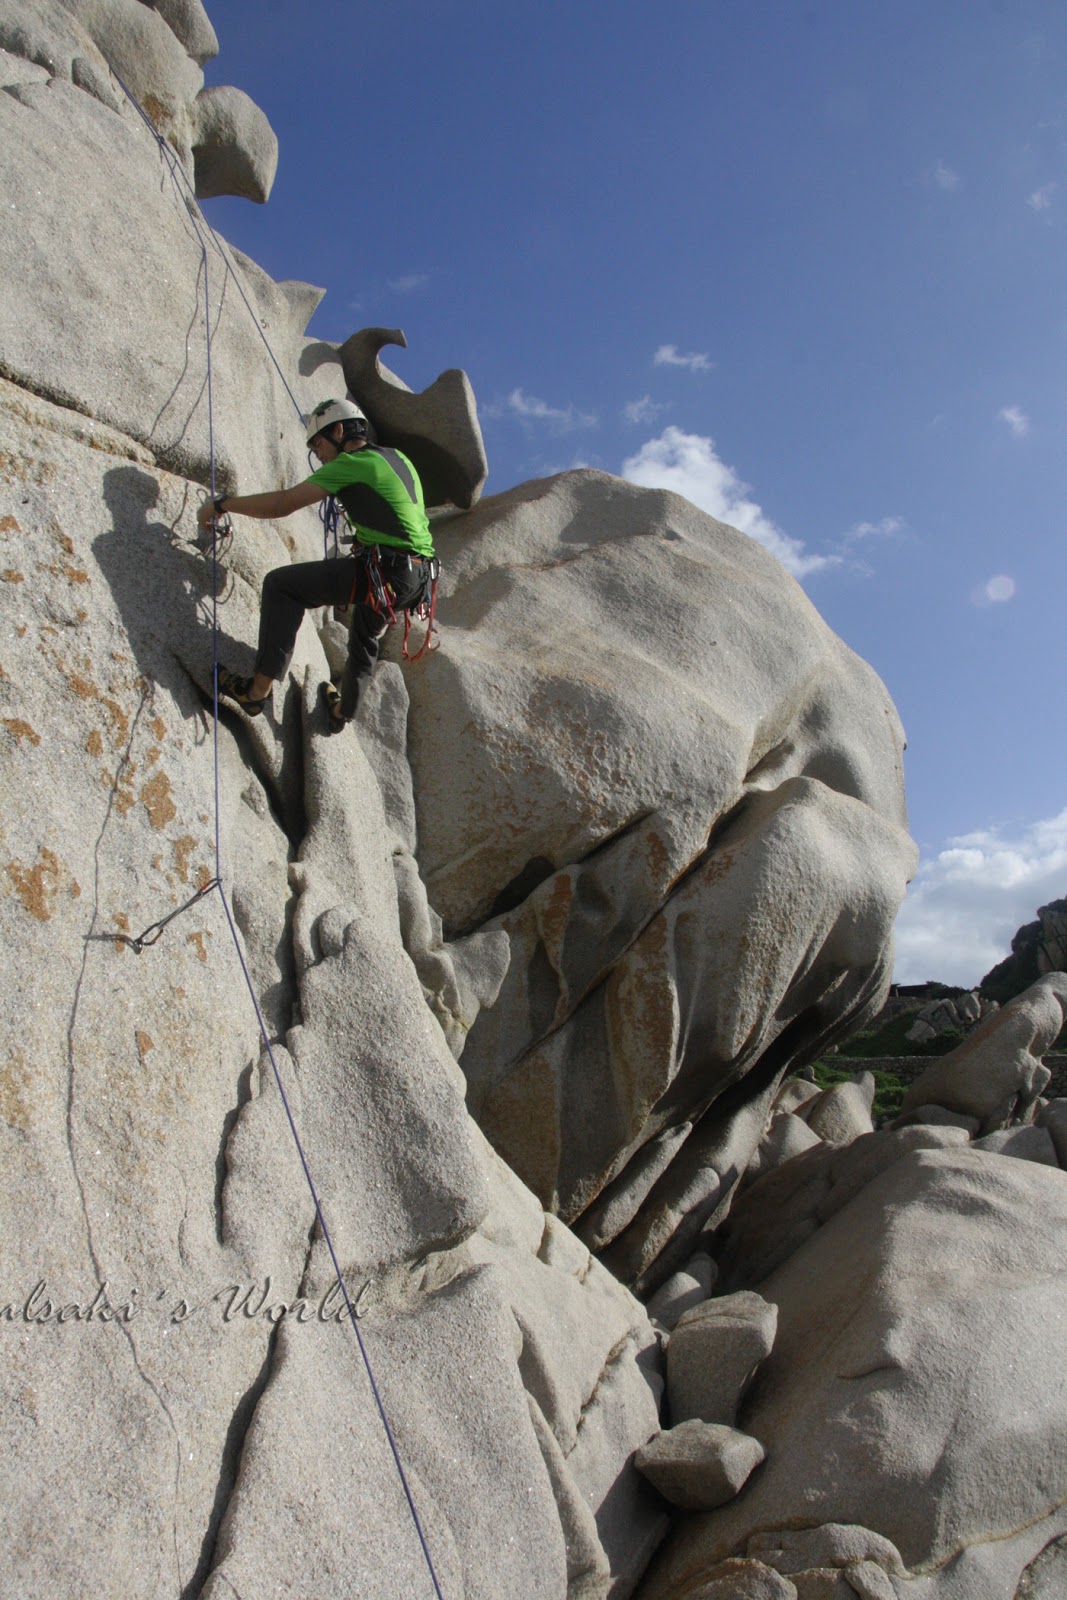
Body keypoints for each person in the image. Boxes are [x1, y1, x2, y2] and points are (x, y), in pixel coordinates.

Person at [196, 398, 435, 732]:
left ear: (339, 431)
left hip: (387, 571)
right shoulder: (397, 458)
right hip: (417, 577)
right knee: (364, 637)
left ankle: (255, 693)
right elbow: (398, 515)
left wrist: (222, 505)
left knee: (283, 586)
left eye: (318, 444)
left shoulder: (353, 463)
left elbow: (283, 504)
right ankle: (341, 714)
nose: (319, 454)